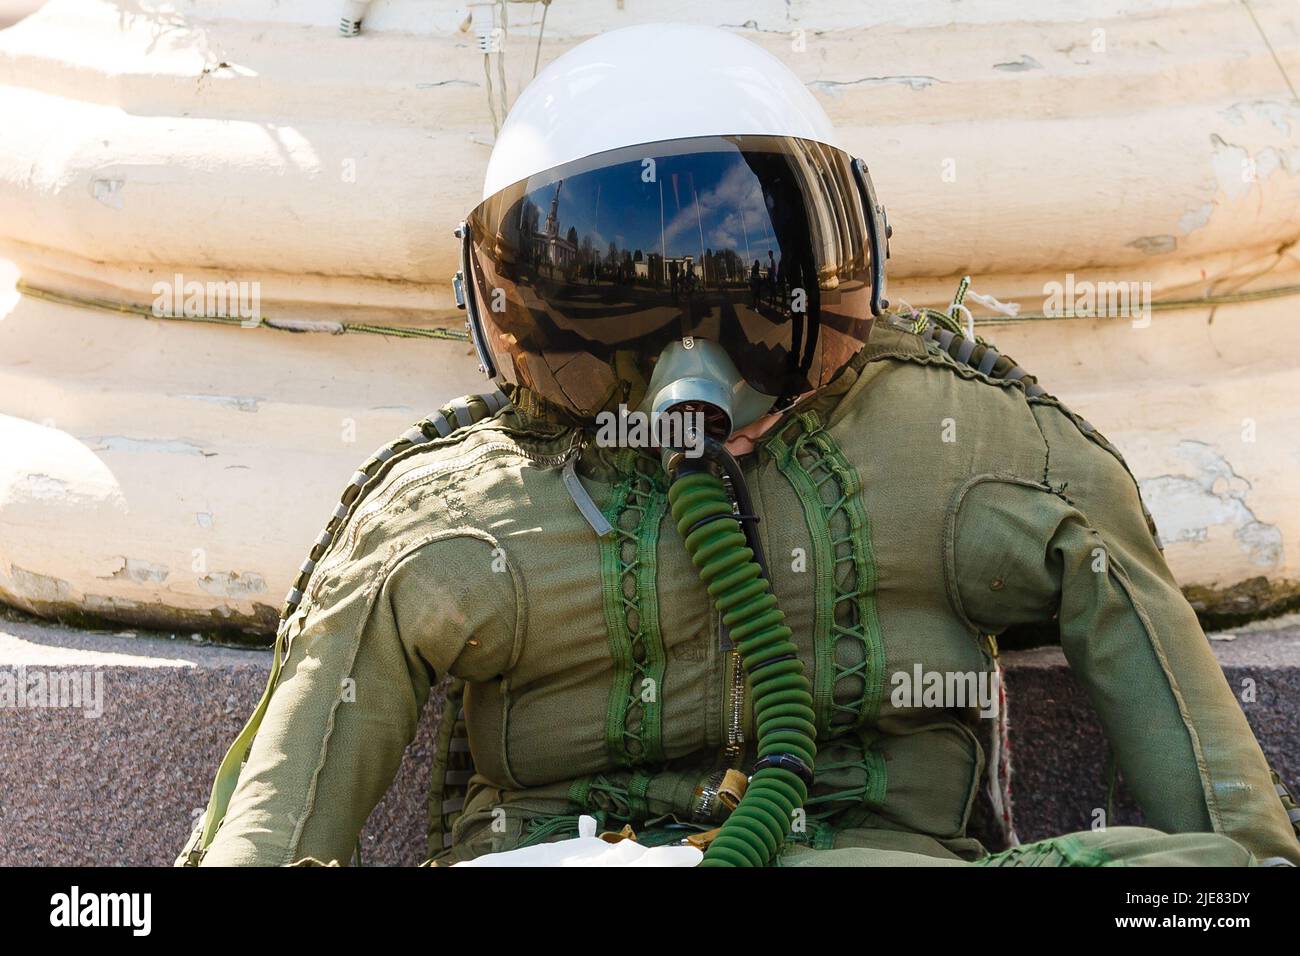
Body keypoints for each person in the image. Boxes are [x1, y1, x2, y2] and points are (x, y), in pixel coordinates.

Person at [180, 23, 1300, 868]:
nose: (697, 349)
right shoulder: (456, 519)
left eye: (742, 281)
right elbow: (269, 841)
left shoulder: (972, 454)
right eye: (629, 298)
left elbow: (1233, 848)